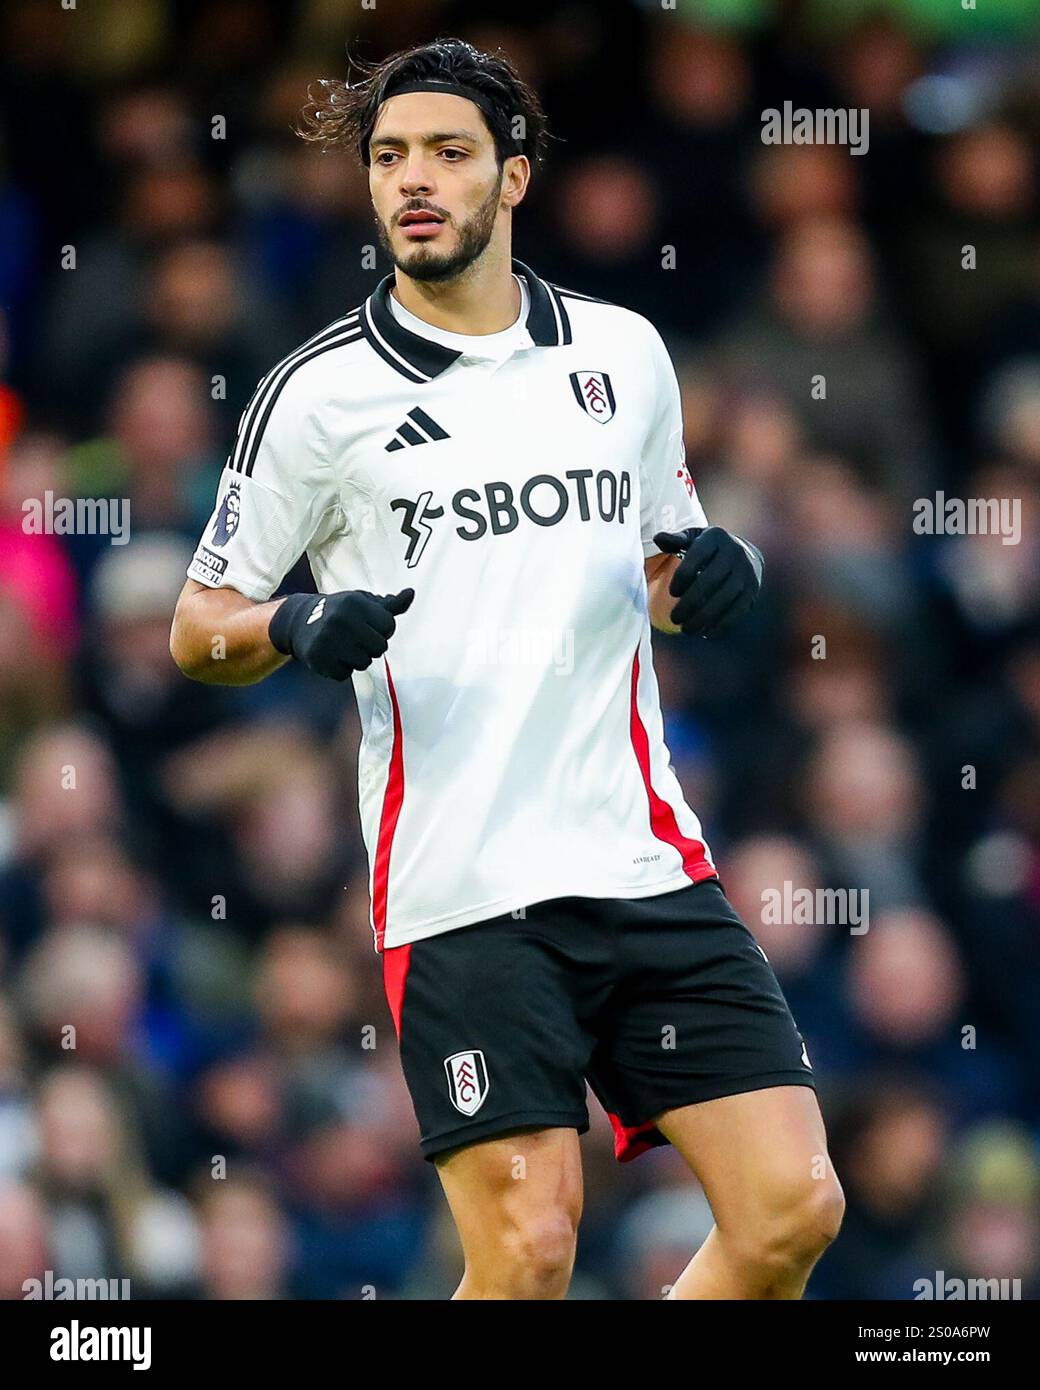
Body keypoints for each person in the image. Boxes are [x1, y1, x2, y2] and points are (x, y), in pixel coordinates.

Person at [170, 37, 844, 1300]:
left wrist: (715, 571)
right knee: (528, 1255)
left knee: (790, 1209)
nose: (411, 182)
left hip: (643, 857)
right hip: (465, 887)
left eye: (445, 153)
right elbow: (197, 624)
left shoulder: (623, 355)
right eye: (387, 159)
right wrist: (294, 625)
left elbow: (660, 554)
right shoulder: (315, 398)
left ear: (513, 178)